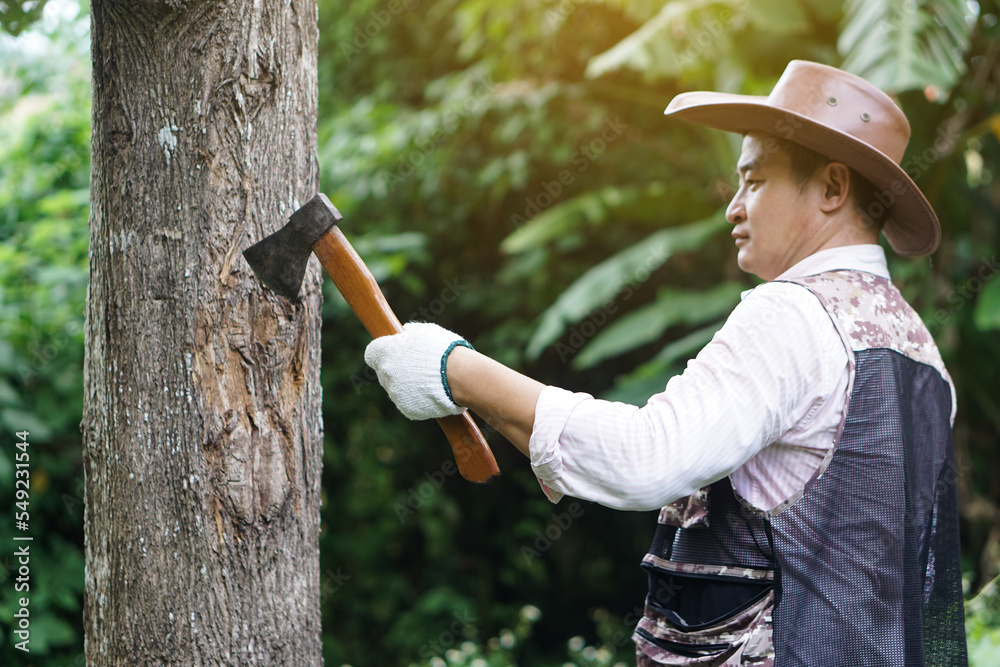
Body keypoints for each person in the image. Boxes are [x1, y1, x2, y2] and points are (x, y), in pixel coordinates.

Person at [363, 61, 967, 666]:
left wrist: (455, 369)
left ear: (833, 189)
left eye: (753, 180)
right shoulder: (923, 356)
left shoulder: (794, 316)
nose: (732, 207)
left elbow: (647, 458)